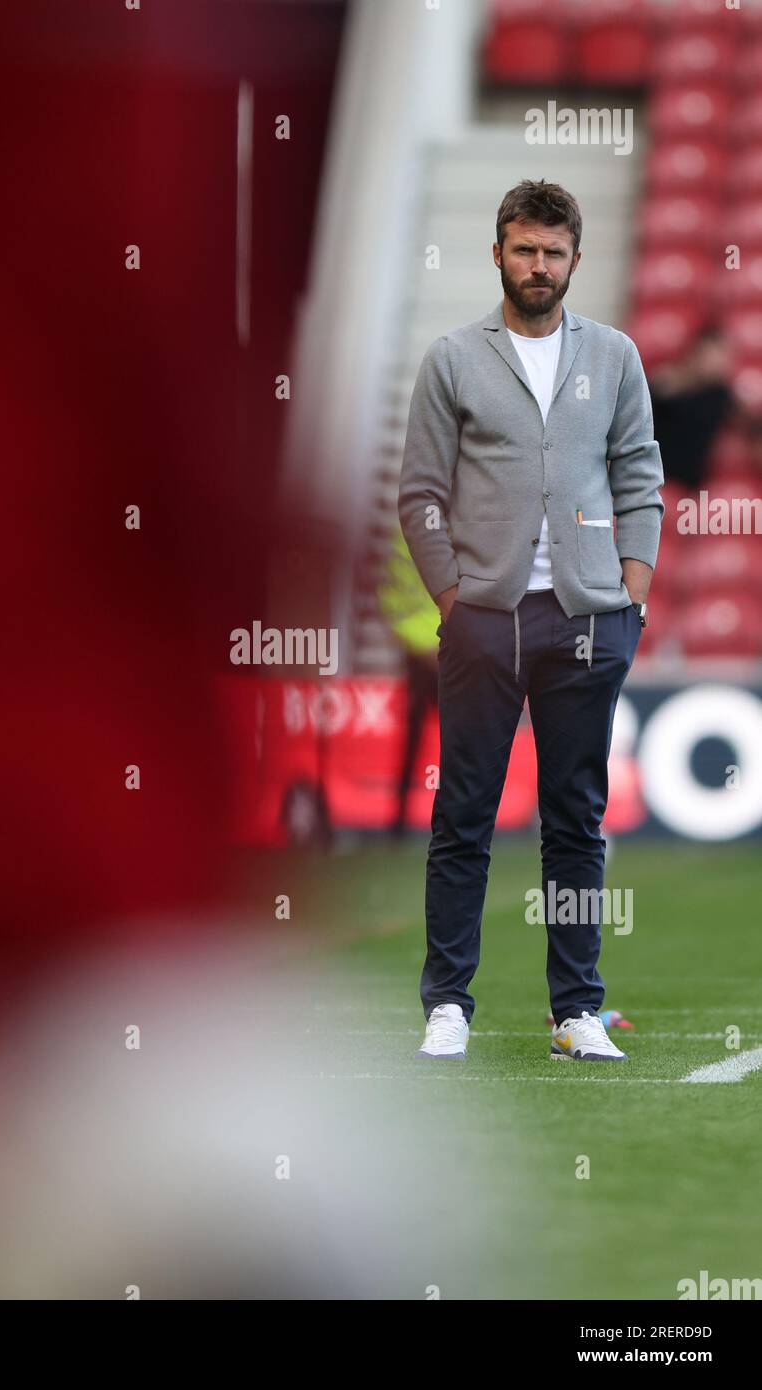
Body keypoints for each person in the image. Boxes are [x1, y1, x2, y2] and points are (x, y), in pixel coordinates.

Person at [398, 179, 664, 1063]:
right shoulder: (452, 359)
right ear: (498, 252)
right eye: (523, 249)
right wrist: (452, 599)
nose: (537, 265)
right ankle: (448, 1005)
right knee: (463, 813)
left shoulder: (615, 355)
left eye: (552, 252)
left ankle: (576, 1011)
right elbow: (419, 495)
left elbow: (638, 473)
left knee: (574, 818)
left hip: (588, 618)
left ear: (575, 260)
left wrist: (631, 588)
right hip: (485, 618)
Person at [377, 525, 441, 836]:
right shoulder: (408, 539)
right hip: (432, 654)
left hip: (440, 651)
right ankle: (400, 819)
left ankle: (400, 823)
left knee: (448, 741)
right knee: (427, 741)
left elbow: (392, 598)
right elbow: (391, 599)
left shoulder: (407, 536)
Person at [649, 326, 733, 493]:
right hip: (653, 475)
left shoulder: (721, 395)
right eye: (710, 355)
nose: (716, 362)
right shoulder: (664, 388)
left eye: (721, 356)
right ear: (694, 354)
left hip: (686, 486)